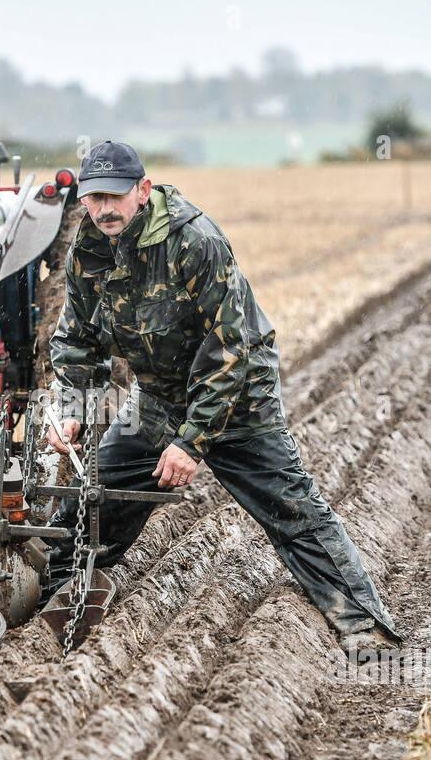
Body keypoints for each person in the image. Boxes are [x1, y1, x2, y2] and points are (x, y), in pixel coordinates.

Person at [44, 140, 400, 645]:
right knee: (99, 496)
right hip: (160, 397)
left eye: (115, 196)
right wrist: (72, 409)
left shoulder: (195, 241)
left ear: (142, 191)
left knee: (292, 509)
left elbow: (231, 345)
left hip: (238, 394)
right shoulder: (88, 250)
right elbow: (78, 337)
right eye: (94, 197)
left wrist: (190, 442)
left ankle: (364, 626)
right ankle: (51, 594)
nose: (104, 208)